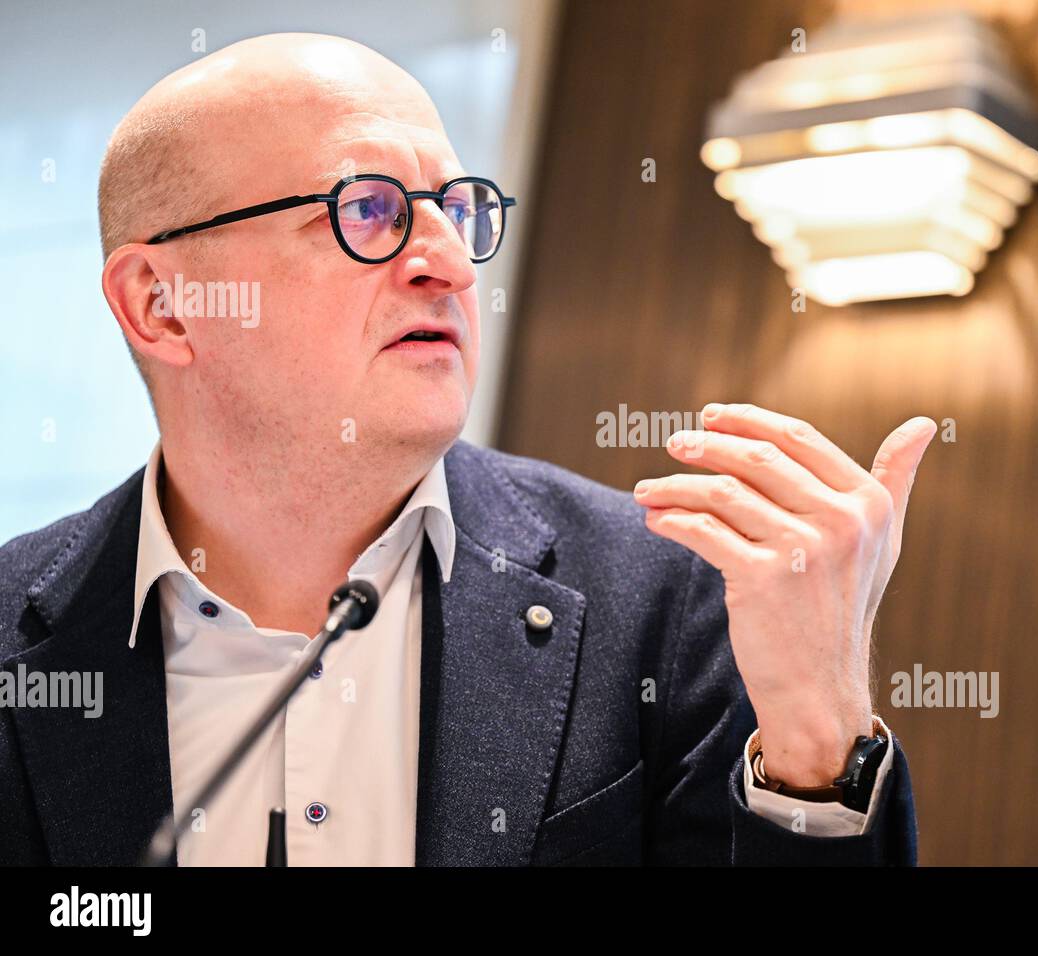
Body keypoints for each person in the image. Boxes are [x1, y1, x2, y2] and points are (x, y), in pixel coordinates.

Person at [0, 33, 936, 865]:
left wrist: (819, 746)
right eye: (367, 209)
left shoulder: (669, 594)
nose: (450, 260)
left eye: (455, 205)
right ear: (163, 304)